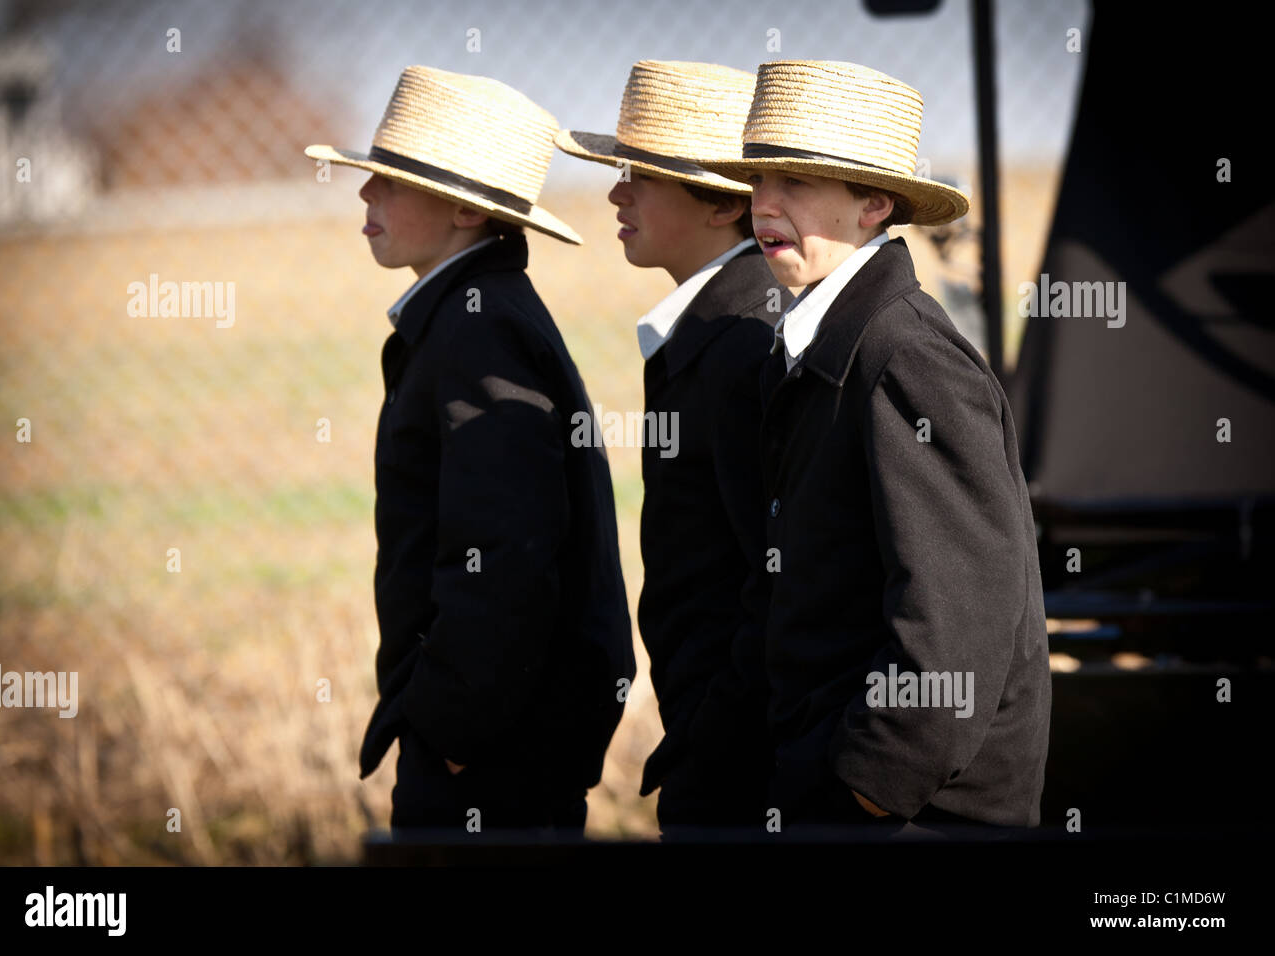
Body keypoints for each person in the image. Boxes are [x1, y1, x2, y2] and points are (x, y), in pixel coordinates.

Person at [702, 60, 1051, 831]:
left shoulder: (909, 359)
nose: (765, 201)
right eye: (757, 179)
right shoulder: (813, 345)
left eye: (796, 179)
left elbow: (958, 616)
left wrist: (869, 786)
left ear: (874, 202)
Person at [305, 65, 634, 834]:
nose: (365, 195)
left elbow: (508, 552)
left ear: (462, 206)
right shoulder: (471, 314)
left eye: (390, 181)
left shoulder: (481, 328)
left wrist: (454, 728)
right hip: (496, 740)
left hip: (495, 755)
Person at [556, 61, 787, 834]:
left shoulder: (743, 346)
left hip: (747, 765)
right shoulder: (713, 330)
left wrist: (708, 745)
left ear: (723, 200)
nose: (616, 193)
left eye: (641, 175)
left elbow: (776, 578)